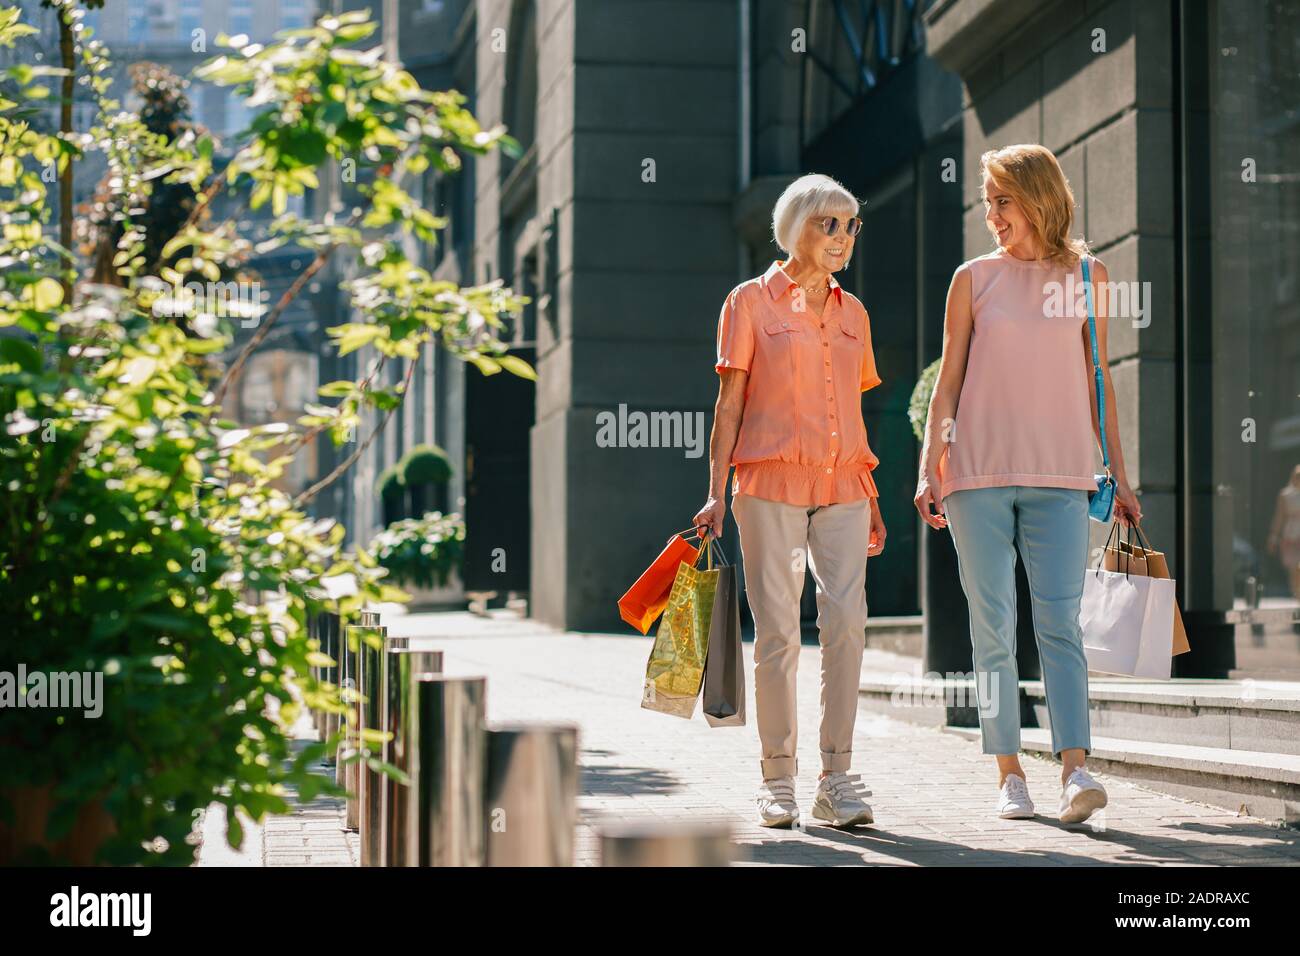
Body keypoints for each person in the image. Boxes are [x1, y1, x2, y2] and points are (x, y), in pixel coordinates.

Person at [914, 144, 1140, 824]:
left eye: (1002, 201)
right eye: (988, 202)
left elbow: (1100, 382)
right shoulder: (972, 278)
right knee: (991, 628)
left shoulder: (1088, 277)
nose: (992, 215)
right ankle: (1007, 771)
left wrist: (1120, 476)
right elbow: (948, 379)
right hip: (976, 472)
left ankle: (1076, 770)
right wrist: (932, 461)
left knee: (1059, 624)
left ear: (1038, 197)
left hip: (1063, 472)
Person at [693, 173, 885, 828]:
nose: (841, 236)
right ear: (793, 227)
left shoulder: (854, 312)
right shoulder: (749, 303)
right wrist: (715, 492)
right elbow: (730, 404)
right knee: (777, 631)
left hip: (843, 486)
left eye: (850, 225)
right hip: (768, 482)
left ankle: (837, 775)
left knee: (848, 625)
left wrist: (873, 494)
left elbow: (854, 408)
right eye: (827, 223)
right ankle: (777, 777)